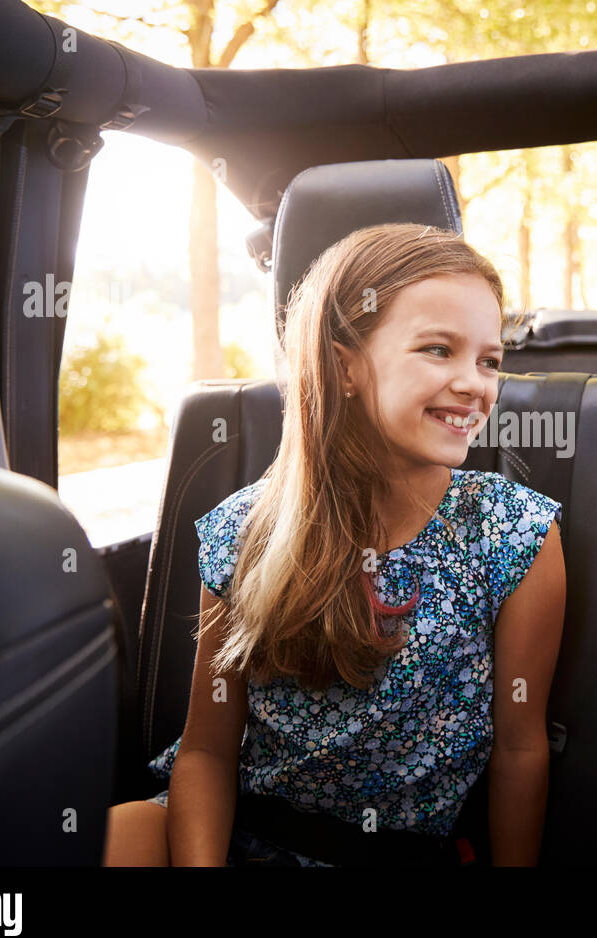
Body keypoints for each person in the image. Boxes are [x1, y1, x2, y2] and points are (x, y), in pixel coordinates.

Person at [103, 223, 566, 867]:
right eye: (438, 350)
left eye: (490, 359)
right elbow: (206, 750)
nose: (475, 383)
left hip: (388, 850)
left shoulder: (511, 533)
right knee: (116, 836)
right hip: (236, 825)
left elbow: (520, 748)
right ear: (344, 366)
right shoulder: (246, 530)